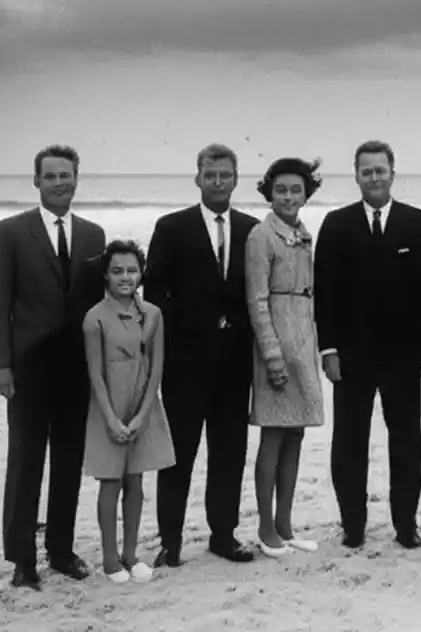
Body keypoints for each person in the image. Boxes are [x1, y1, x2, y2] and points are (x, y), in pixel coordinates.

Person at [0, 144, 106, 590]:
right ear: (36, 181)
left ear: (77, 178)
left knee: (69, 462)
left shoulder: (94, 234)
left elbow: (100, 304)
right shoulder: (11, 232)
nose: (59, 183)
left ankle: (60, 550)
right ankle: (22, 559)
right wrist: (1, 364)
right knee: (26, 462)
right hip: (28, 365)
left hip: (76, 367)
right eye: (51, 176)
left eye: (66, 175)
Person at [314, 140, 421, 549]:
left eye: (380, 170)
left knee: (406, 441)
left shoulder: (417, 223)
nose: (374, 177)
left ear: (393, 172)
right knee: (349, 443)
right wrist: (328, 349)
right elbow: (325, 292)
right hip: (350, 357)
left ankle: (406, 525)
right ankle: (353, 525)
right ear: (356, 176)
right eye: (366, 171)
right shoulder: (336, 224)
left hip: (402, 355)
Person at [142, 144, 259, 566]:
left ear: (235, 178)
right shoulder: (172, 227)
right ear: (198, 178)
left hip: (235, 362)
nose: (217, 182)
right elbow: (155, 294)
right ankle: (170, 542)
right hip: (186, 363)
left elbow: (257, 292)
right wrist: (189, 333)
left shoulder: (252, 229)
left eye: (225, 175)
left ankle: (223, 536)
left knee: (229, 452)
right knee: (179, 455)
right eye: (210, 175)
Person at [244, 158, 326, 557]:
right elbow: (257, 301)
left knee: (296, 432)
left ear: (306, 193)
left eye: (296, 190)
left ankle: (285, 523)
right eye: (282, 190)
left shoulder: (302, 232)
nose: (289, 197)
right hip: (276, 341)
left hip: (303, 340)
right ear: (269, 192)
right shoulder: (262, 236)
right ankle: (264, 528)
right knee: (273, 434)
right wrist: (272, 355)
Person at [82, 240, 177, 582]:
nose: (125, 277)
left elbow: (156, 370)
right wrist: (111, 419)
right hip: (108, 406)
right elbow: (95, 374)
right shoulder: (95, 318)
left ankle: (131, 553)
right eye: (117, 271)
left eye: (132, 270)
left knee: (135, 482)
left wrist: (140, 417)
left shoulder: (153, 314)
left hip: (142, 406)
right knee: (111, 483)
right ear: (106, 276)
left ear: (142, 273)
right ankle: (109, 559)